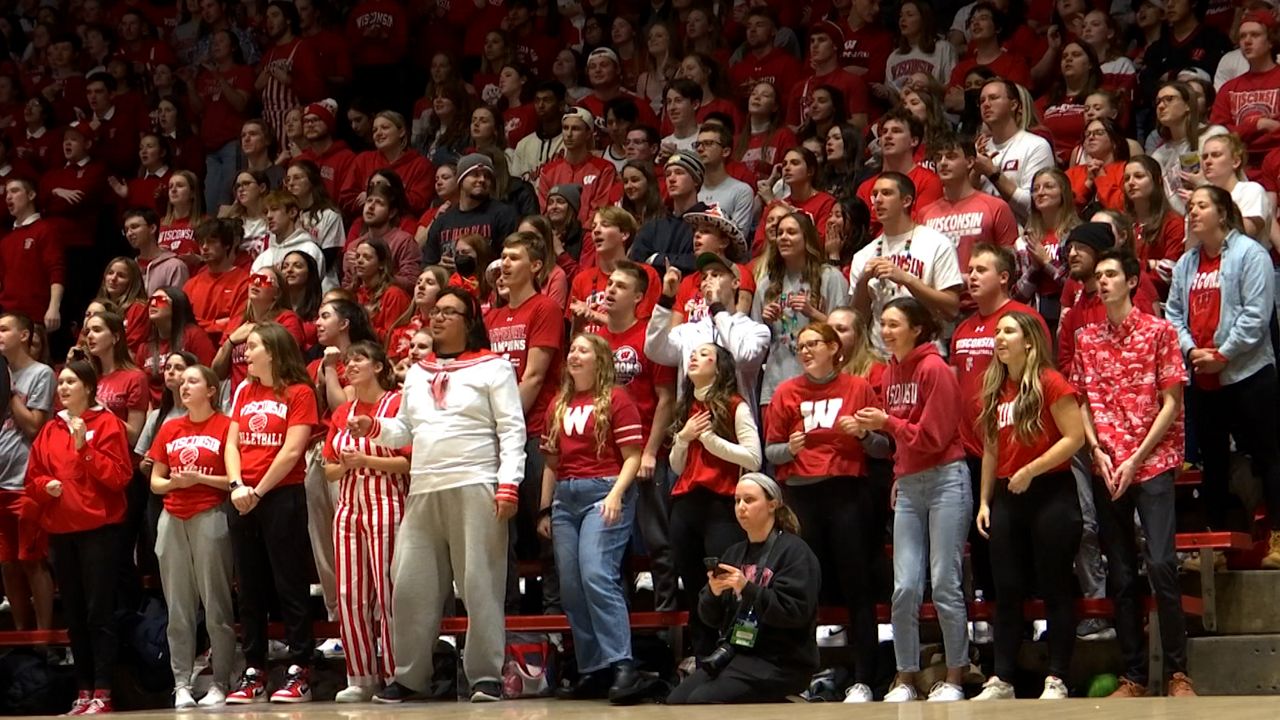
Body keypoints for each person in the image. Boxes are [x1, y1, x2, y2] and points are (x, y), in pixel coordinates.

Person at [350, 287, 523, 704]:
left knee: (480, 584)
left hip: (476, 481)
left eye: (449, 312)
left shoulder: (495, 367)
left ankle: (485, 677)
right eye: (436, 311)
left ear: (469, 321)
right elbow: (407, 430)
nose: (438, 317)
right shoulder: (417, 372)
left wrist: (509, 482)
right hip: (424, 487)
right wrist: (374, 428)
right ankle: (409, 676)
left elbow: (512, 428)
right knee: (409, 585)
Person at [1070, 248, 1197, 697]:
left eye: (1110, 275)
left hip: (1152, 462)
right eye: (1099, 275)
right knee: (1120, 573)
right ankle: (1134, 675)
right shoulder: (1086, 338)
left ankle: (1179, 672)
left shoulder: (1160, 332)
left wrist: (1136, 457)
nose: (1102, 282)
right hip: (1107, 464)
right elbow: (1080, 399)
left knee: (1160, 563)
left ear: (1131, 281)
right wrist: (1096, 450)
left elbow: (1172, 402)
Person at [854, 297, 970, 702]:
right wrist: (897, 466)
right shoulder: (889, 371)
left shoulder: (935, 368)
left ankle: (955, 677)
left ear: (917, 328)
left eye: (893, 324)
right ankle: (905, 677)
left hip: (945, 481)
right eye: (882, 324)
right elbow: (902, 440)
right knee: (903, 587)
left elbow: (933, 438)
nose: (885, 331)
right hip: (909, 484)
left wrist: (887, 423)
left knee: (944, 585)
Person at [765, 322, 880, 702]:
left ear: (835, 348)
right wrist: (791, 450)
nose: (806, 350)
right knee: (804, 586)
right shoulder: (785, 392)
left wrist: (862, 434)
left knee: (856, 584)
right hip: (801, 495)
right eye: (801, 346)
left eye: (815, 343)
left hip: (847, 491)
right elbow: (770, 452)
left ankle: (865, 676)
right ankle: (802, 674)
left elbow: (884, 447)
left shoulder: (857, 387)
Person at [972, 312, 1085, 701]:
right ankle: (1001, 678)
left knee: (1054, 586)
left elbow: (1075, 437)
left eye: (1008, 331)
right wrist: (984, 500)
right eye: (996, 332)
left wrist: (1031, 470)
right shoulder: (994, 389)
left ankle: (1057, 677)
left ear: (1030, 341)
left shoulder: (1051, 383)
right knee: (1006, 589)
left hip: (1051, 491)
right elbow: (990, 448)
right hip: (1007, 495)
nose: (998, 338)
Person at [1166, 186, 1280, 556]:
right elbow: (1174, 314)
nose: (1193, 212)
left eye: (1201, 205)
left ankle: (1278, 536)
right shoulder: (1187, 263)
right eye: (1190, 207)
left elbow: (1256, 316)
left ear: (1223, 212)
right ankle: (1213, 547)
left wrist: (1223, 354)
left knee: (1268, 455)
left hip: (1248, 375)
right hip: (1203, 375)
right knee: (1211, 462)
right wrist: (1192, 350)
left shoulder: (1251, 254)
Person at [536, 333, 645, 702]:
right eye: (571, 350)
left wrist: (616, 495)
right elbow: (552, 464)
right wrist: (546, 507)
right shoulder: (559, 404)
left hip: (605, 490)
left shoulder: (617, 398)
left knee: (597, 574)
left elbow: (632, 455)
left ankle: (623, 664)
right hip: (566, 497)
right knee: (571, 586)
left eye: (582, 350)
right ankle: (593, 667)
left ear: (599, 360)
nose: (573, 355)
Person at [25, 360, 133, 715]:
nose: (64, 388)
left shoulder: (107, 425)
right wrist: (45, 487)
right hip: (61, 531)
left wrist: (84, 449)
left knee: (98, 613)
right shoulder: (50, 429)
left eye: (71, 382)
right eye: (61, 383)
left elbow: (119, 477)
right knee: (73, 614)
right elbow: (33, 477)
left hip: (99, 532)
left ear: (89, 386)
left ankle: (104, 689)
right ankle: (84, 689)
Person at [224, 322, 320, 704]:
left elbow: (293, 451)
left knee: (289, 584)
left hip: (280, 495)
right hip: (242, 496)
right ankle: (254, 670)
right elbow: (231, 443)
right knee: (248, 588)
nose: (246, 353)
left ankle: (300, 668)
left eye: (253, 345)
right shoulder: (244, 390)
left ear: (274, 351)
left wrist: (258, 491)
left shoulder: (299, 392)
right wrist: (236, 487)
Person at [667, 472, 820, 704]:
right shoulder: (734, 553)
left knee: (700, 701)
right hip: (740, 653)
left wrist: (747, 588)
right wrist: (713, 593)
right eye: (737, 500)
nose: (741, 507)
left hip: (781, 660)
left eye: (749, 500)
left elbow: (794, 612)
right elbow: (710, 618)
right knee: (676, 700)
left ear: (773, 505)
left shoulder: (795, 552)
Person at [321, 340, 410, 703]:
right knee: (349, 595)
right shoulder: (343, 412)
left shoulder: (397, 404)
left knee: (388, 593)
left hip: (386, 500)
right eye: (348, 360)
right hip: (347, 506)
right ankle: (360, 675)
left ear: (378, 366)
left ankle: (394, 672)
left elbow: (409, 462)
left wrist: (366, 462)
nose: (350, 365)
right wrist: (347, 465)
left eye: (358, 358)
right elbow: (328, 469)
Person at [667, 342, 763, 663]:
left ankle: (735, 657)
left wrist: (709, 440)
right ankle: (703, 655)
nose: (694, 357)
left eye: (704, 354)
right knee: (695, 587)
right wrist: (684, 437)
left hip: (720, 506)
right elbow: (677, 466)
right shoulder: (686, 409)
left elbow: (753, 458)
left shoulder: (735, 405)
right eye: (692, 353)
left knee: (726, 584)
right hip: (685, 506)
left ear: (719, 367)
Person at [147, 363, 236, 709]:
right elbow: (156, 481)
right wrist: (175, 483)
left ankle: (221, 680)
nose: (184, 386)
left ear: (211, 390)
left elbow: (232, 477)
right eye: (181, 382)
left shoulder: (227, 425)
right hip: (172, 516)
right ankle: (181, 682)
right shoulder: (170, 428)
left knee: (216, 604)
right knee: (178, 608)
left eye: (192, 381)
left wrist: (199, 478)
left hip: (210, 515)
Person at [849, 172, 963, 348]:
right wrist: (863, 282)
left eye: (886, 193)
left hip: (925, 352)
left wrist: (907, 279)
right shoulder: (864, 255)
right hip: (879, 356)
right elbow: (858, 321)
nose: (877, 200)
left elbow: (952, 309)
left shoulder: (937, 243)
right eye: (875, 194)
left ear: (906, 201)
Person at [753, 212, 851, 410]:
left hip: (820, 383)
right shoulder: (766, 284)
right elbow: (755, 342)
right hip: (775, 383)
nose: (783, 237)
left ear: (806, 238)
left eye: (791, 232)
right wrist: (765, 322)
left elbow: (845, 333)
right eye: (780, 233)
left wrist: (812, 313)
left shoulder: (830, 277)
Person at [646, 256, 771, 409]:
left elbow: (740, 357)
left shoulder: (756, 330)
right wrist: (665, 301)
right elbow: (654, 350)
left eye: (716, 275)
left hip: (733, 427)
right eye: (704, 277)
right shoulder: (690, 330)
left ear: (735, 283)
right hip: (691, 427)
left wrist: (717, 307)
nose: (708, 281)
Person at [0, 313, 55, 636]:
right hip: (0, 481)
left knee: (31, 559)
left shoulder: (40, 374)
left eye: (5, 329)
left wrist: (8, 392)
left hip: (26, 481)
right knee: (7, 563)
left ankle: (44, 637)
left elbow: (35, 426)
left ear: (24, 334)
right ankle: (21, 635)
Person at [972, 79, 1055, 224]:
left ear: (1014, 104)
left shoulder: (1036, 145)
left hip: (1023, 237)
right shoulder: (979, 150)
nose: (986, 104)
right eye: (982, 100)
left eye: (993, 98)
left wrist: (993, 174)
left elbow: (1037, 206)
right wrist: (974, 173)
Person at [422, 153, 520, 268]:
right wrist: (439, 268)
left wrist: (472, 265)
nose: (482, 179)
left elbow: (510, 260)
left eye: (487, 176)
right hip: (449, 283)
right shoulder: (442, 222)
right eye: (475, 175)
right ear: (460, 180)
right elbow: (427, 265)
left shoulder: (503, 214)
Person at [0, 178, 63, 335]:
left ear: (31, 195)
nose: (8, 196)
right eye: (7, 192)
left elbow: (56, 270)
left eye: (14, 191)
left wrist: (54, 307)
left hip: (35, 319)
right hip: (7, 317)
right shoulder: (6, 240)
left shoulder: (46, 230)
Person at [628, 151, 709, 274]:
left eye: (679, 173)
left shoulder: (709, 220)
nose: (671, 179)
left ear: (696, 180)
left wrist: (656, 258)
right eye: (668, 174)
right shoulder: (654, 224)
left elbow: (700, 261)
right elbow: (637, 262)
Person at [538, 107, 617, 226]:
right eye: (565, 128)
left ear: (588, 133)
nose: (569, 134)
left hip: (589, 236)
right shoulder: (548, 171)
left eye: (575, 129)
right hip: (555, 236)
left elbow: (600, 210)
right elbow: (544, 211)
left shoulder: (604, 169)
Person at [185, 218, 251, 345]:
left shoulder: (244, 282)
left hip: (226, 351)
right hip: (193, 351)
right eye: (201, 242)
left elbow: (236, 326)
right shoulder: (191, 284)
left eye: (211, 242)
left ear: (227, 245)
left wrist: (200, 324)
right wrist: (216, 324)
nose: (204, 247)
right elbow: (183, 324)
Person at [126, 207, 191, 295]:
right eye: (126, 230)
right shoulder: (130, 268)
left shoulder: (175, 267)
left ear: (152, 228)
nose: (129, 233)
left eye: (135, 227)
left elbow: (179, 305)